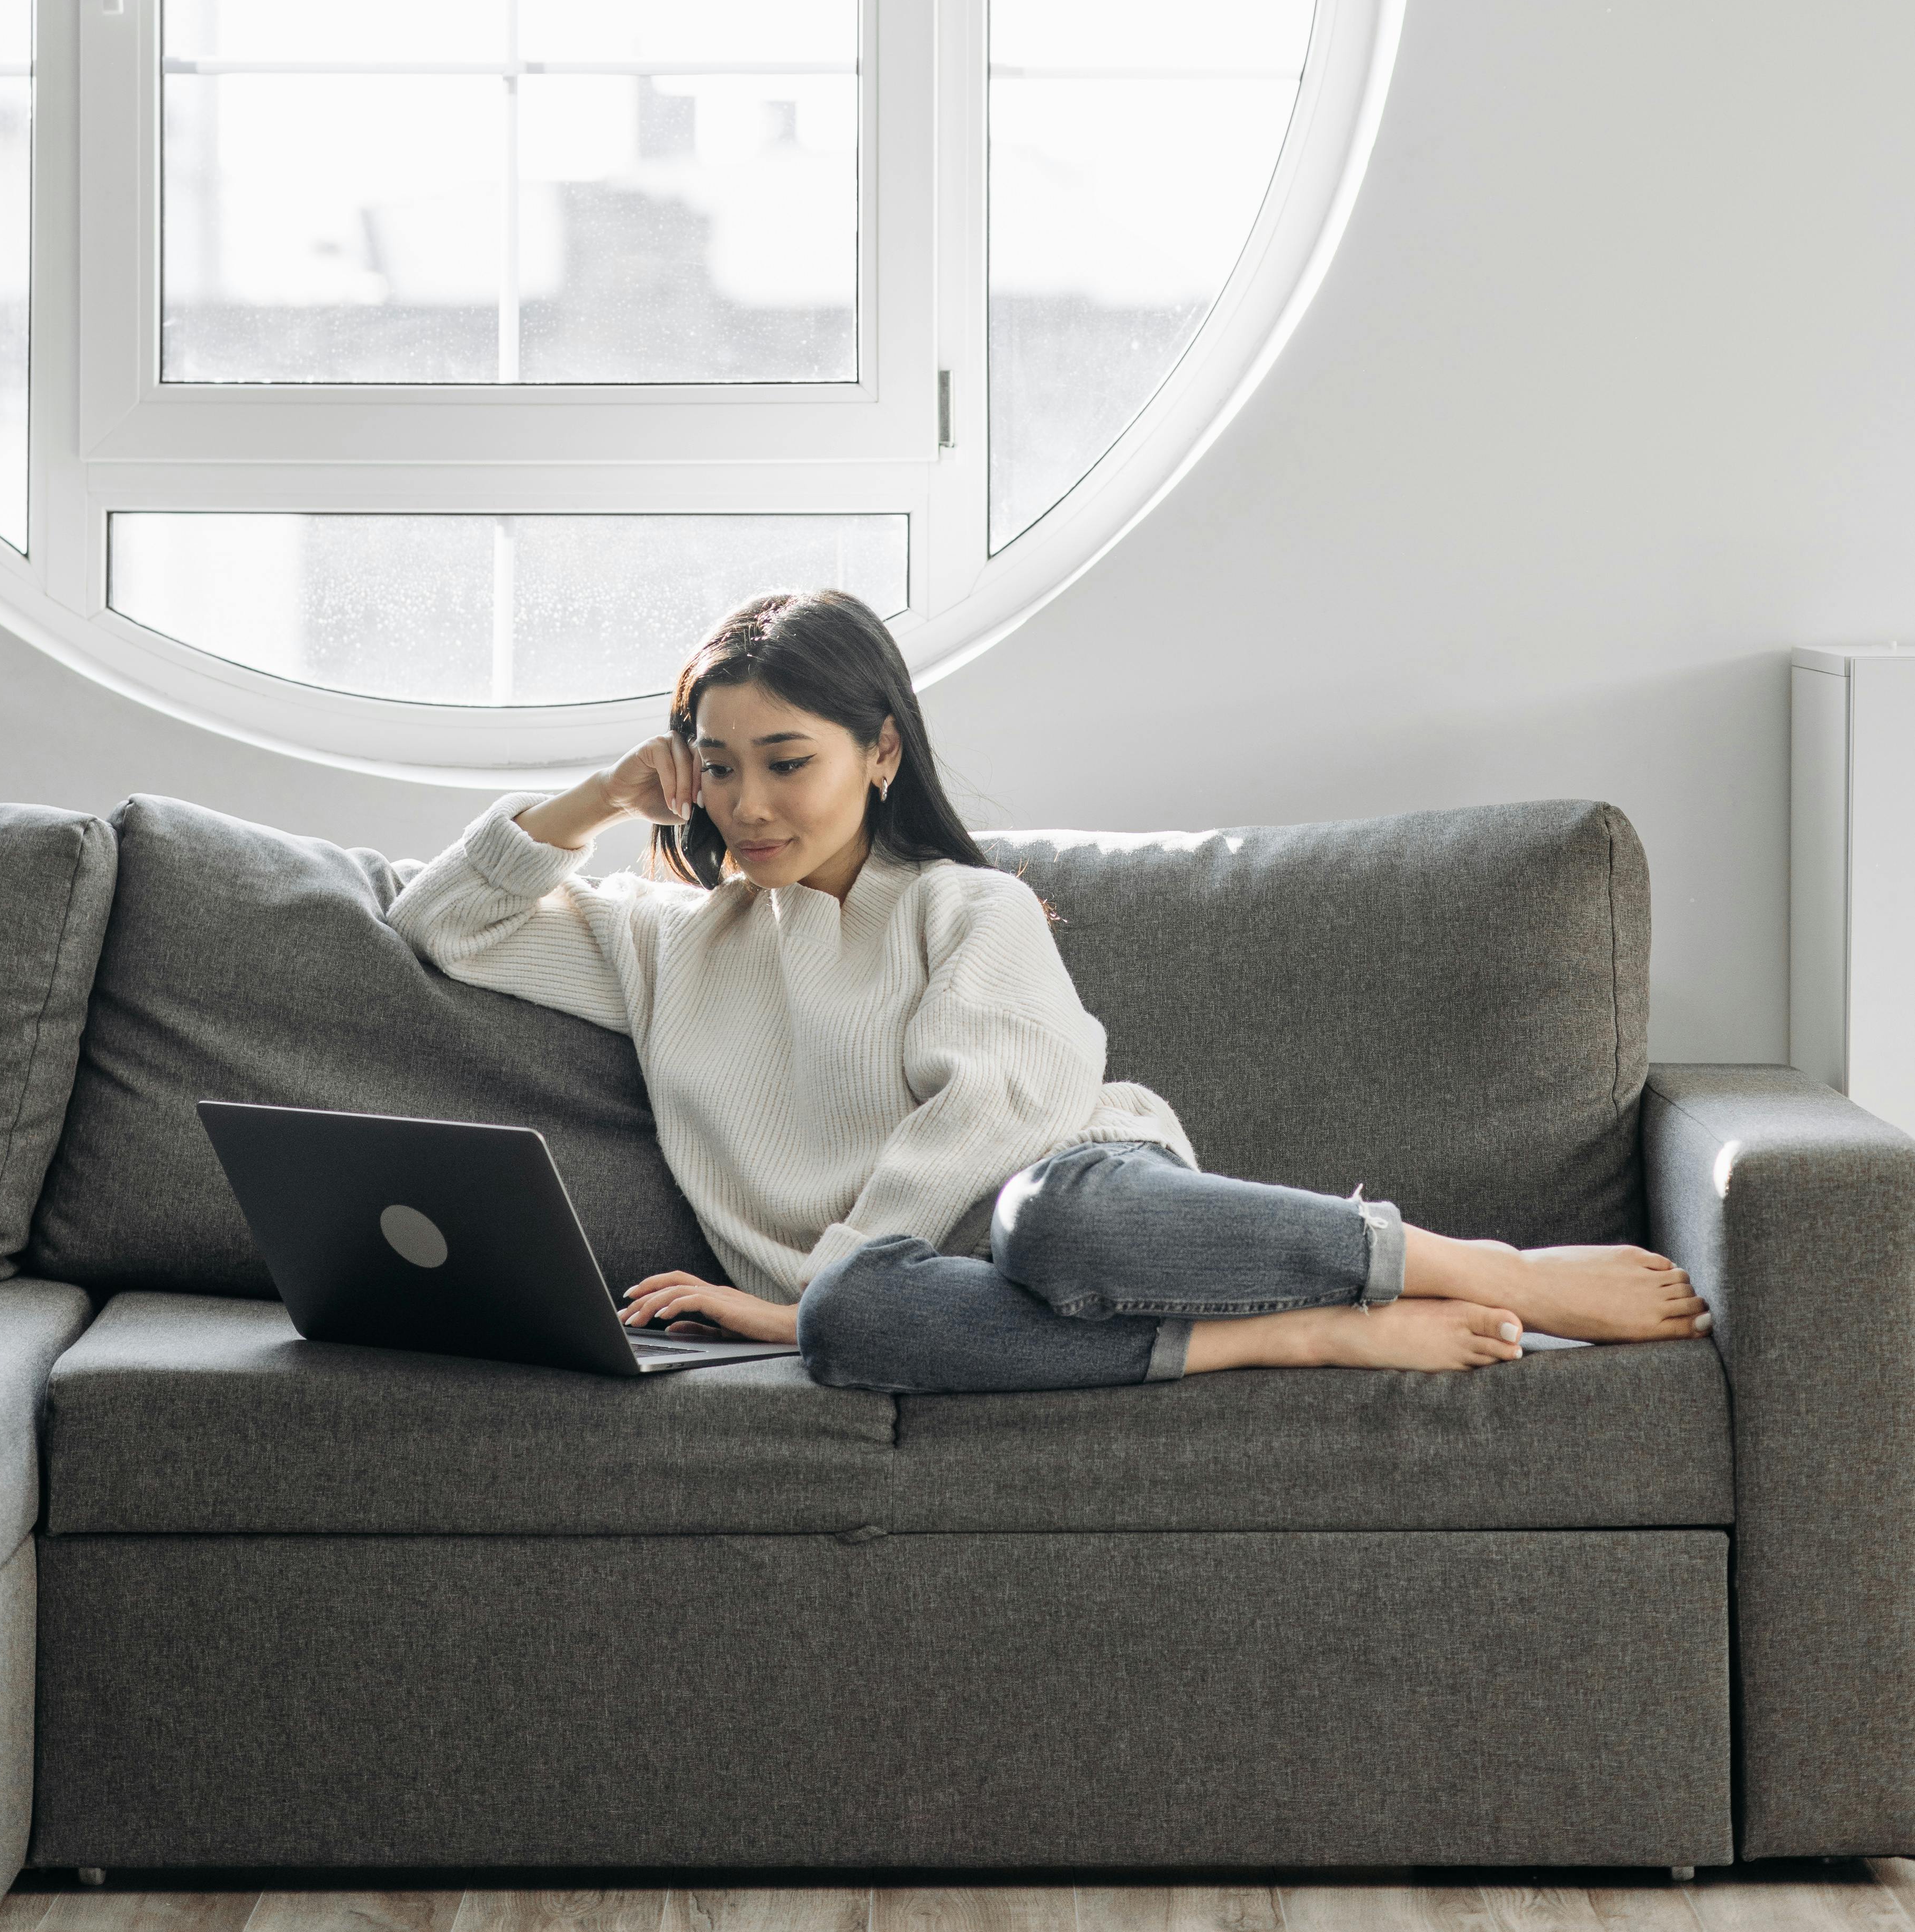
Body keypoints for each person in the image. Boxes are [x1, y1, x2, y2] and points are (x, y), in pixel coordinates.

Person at [383, 588, 1711, 1392]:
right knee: (858, 1325)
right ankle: (1299, 1335)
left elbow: (992, 1121)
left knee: (1051, 1221)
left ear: (882, 749)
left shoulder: (971, 904)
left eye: (787, 759)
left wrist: (802, 1295)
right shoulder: (667, 943)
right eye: (717, 766)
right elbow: (443, 924)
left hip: (1086, 1204)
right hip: (920, 1306)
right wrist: (606, 797)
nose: (749, 800)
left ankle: (1486, 1267)